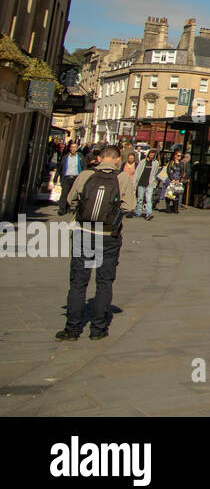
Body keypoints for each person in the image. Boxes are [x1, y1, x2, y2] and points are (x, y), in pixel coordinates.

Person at [55, 144, 135, 341]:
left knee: (78, 283)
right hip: (108, 236)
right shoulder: (122, 177)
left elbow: (71, 199)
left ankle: (72, 329)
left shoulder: (85, 175)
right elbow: (130, 206)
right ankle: (98, 329)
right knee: (104, 282)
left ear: (100, 158)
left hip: (84, 233)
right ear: (117, 160)